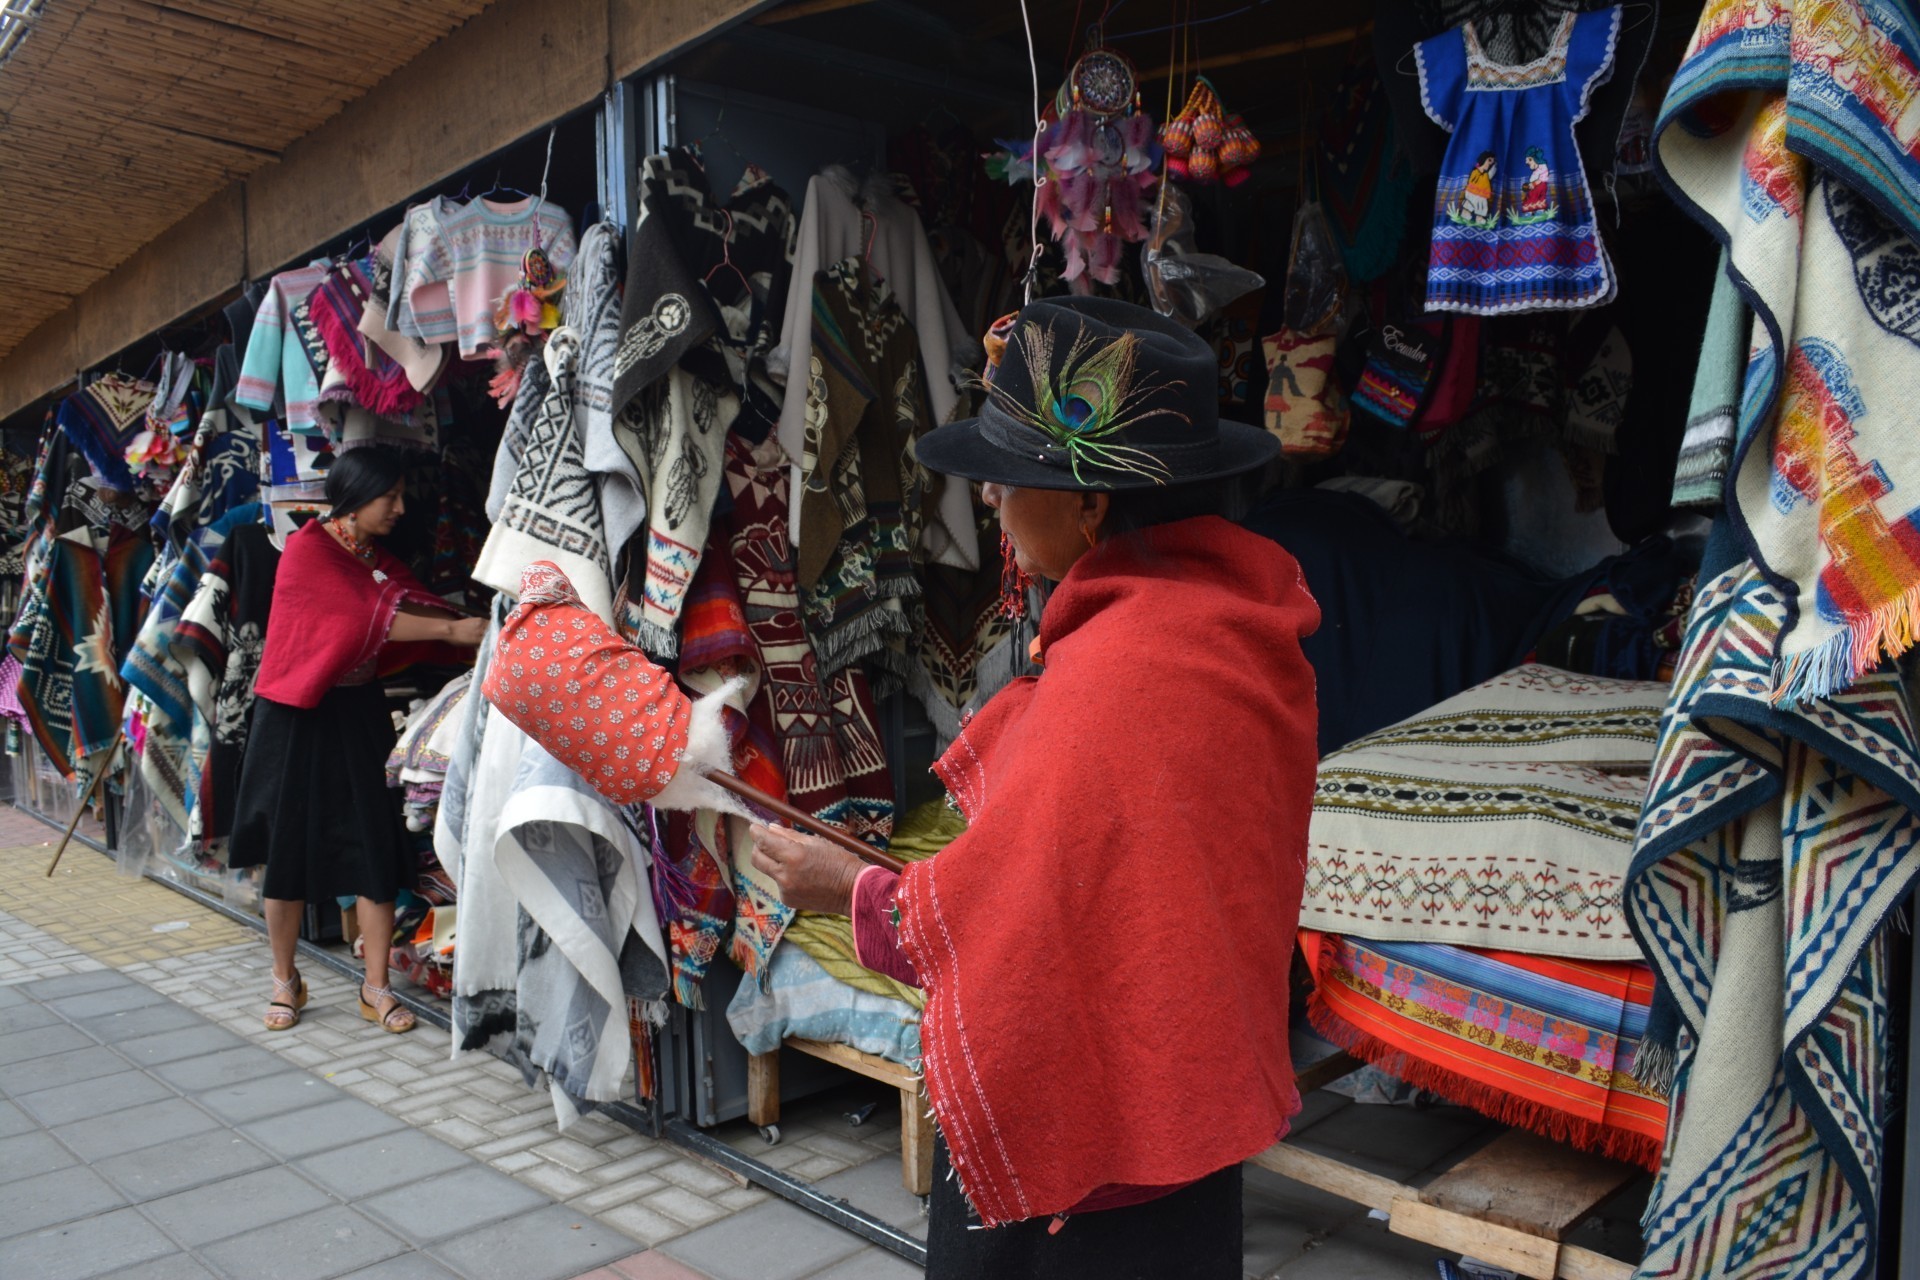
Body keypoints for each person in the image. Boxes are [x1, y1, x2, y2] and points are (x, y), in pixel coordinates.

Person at [749, 297, 1321, 1279]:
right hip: (1191, 1118)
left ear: (1089, 506)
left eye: (1007, 481)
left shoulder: (1116, 674)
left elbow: (1010, 930)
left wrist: (847, 888)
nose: (990, 502)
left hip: (1089, 1170)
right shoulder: (1231, 633)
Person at [232, 447, 485, 1035]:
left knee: (372, 845)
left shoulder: (374, 560)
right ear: (352, 498)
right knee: (287, 853)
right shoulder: (307, 551)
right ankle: (284, 980)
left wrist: (467, 623)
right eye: (388, 497)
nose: (400, 508)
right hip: (295, 717)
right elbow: (355, 620)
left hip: (357, 712)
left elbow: (404, 603)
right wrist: (452, 630)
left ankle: (376, 988)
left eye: (400, 496)